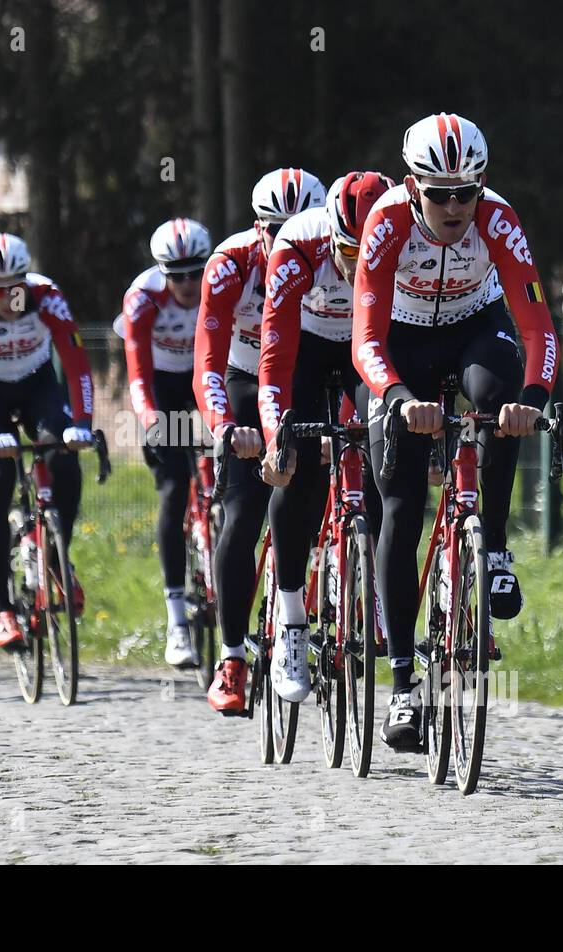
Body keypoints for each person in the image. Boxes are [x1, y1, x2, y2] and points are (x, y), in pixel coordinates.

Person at [352, 113, 559, 751]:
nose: (452, 206)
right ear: (413, 187)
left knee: (497, 400)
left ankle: (492, 545)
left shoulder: (499, 219)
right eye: (437, 192)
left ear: (481, 186)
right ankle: (405, 684)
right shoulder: (384, 222)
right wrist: (396, 397)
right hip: (403, 343)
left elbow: (538, 330)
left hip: (476, 324)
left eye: (464, 191)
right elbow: (364, 338)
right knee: (401, 507)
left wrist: (534, 398)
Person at [256, 171, 394, 703]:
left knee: (388, 446)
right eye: (347, 252)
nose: (358, 266)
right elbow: (273, 362)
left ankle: (375, 584)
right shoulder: (297, 246)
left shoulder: (402, 236)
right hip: (307, 348)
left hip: (369, 345)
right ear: (330, 235)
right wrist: (276, 438)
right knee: (301, 471)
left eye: (368, 254)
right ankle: (292, 623)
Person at [194, 169, 327, 713]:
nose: (284, 242)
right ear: (257, 228)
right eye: (275, 230)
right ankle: (230, 657)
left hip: (308, 377)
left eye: (297, 228)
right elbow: (207, 358)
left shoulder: (329, 257)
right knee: (243, 513)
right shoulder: (230, 264)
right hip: (246, 380)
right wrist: (226, 426)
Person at [0, 232, 95, 651]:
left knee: (64, 456)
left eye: (14, 288)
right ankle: (3, 609)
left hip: (37, 385)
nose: (6, 297)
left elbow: (77, 364)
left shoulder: (47, 296)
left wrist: (82, 421)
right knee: (0, 475)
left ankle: (57, 556)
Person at [120, 217, 213, 668]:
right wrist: (153, 421)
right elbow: (137, 375)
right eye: (178, 276)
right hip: (163, 390)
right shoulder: (143, 297)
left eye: (197, 272)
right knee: (175, 488)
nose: (189, 283)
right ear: (162, 273)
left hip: (209, 382)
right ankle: (177, 621)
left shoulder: (222, 283)